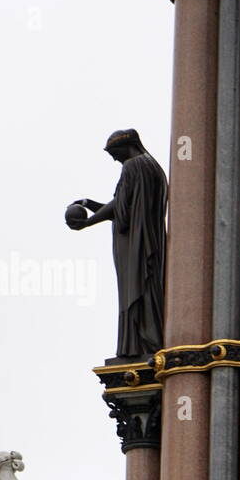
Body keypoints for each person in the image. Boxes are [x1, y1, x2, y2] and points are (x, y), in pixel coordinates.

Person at [66, 128, 167, 357]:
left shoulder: (134, 165)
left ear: (126, 146)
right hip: (143, 240)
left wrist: (88, 222)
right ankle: (143, 342)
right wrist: (90, 204)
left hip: (136, 244)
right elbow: (121, 205)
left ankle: (141, 344)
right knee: (145, 286)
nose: (113, 158)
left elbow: (120, 206)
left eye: (113, 152)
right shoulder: (152, 166)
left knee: (137, 288)